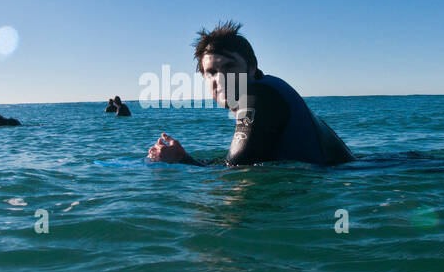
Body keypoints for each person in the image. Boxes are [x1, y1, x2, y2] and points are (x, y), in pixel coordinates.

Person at [147, 21, 353, 166]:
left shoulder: (258, 96)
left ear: (252, 67)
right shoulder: (269, 90)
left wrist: (181, 160)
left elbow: (237, 170)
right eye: (211, 72)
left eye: (229, 67)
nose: (220, 79)